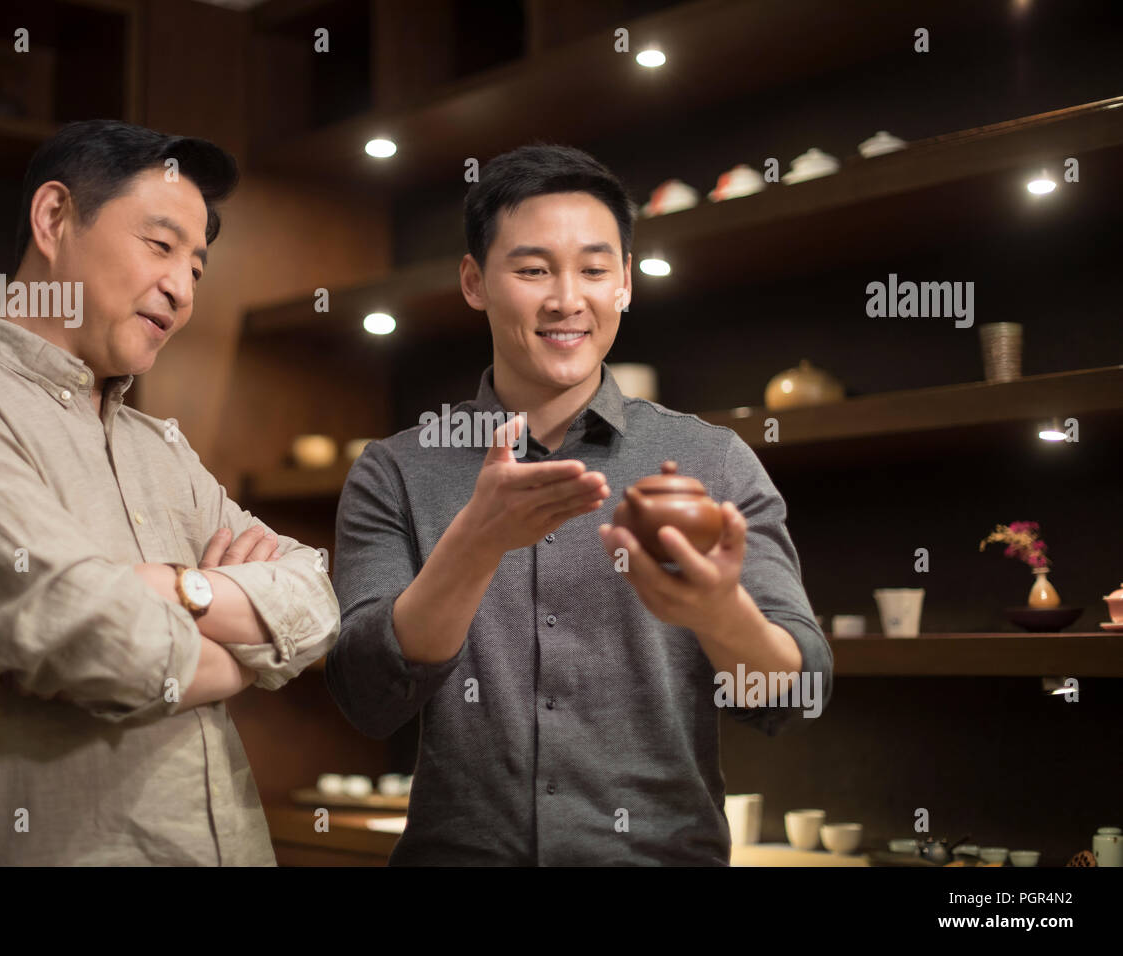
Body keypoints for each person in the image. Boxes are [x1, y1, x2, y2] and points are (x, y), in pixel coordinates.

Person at [327, 143, 832, 865]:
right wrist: (473, 543)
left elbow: (795, 700)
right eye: (533, 270)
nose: (568, 299)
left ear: (625, 283)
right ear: (474, 281)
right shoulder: (395, 471)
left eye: (595, 270)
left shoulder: (713, 462)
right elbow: (366, 696)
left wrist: (720, 610)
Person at [0, 120, 339, 865]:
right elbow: (93, 642)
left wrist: (181, 591)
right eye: (160, 245)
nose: (181, 289)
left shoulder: (162, 449)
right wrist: (245, 655)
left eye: (199, 268)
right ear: (54, 219)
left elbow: (317, 598)